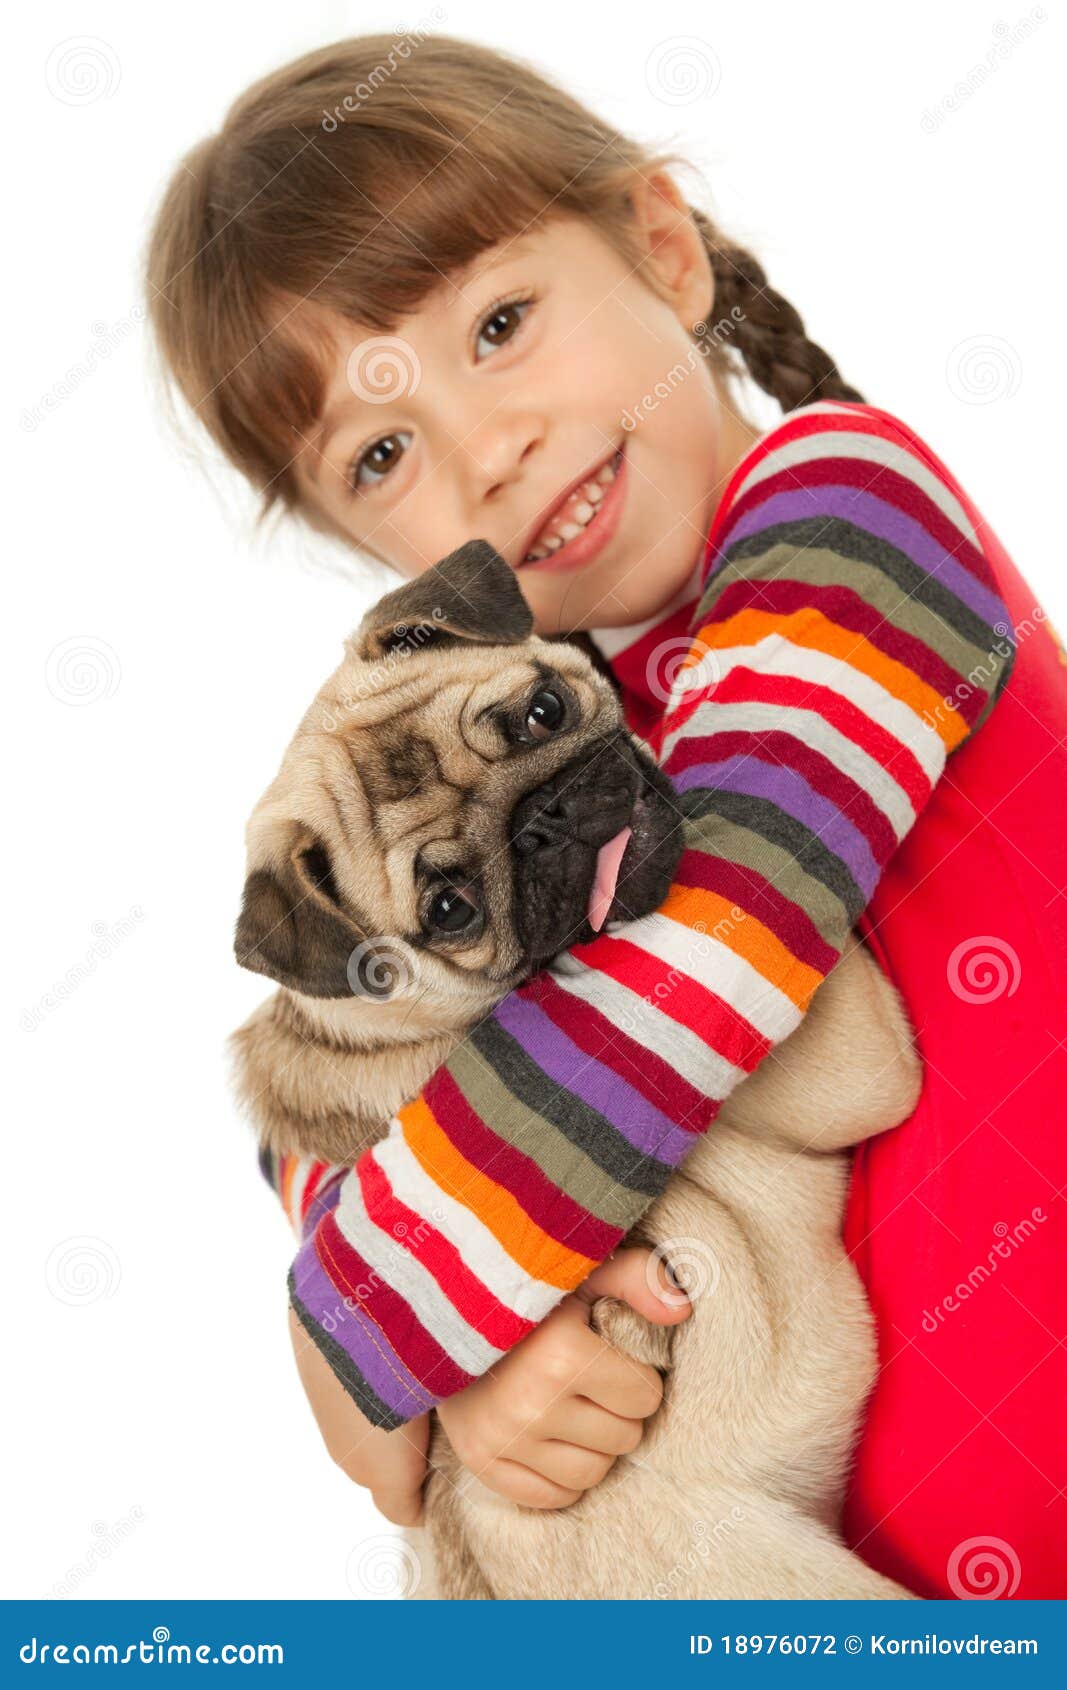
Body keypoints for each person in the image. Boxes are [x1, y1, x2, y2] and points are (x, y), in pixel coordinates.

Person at [143, 34, 1066, 1598]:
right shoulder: (552, 756)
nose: (484, 450)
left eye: (499, 323)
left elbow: (713, 944)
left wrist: (376, 1313)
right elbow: (352, 1048)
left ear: (660, 246)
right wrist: (461, 1332)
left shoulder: (847, 516)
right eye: (382, 454)